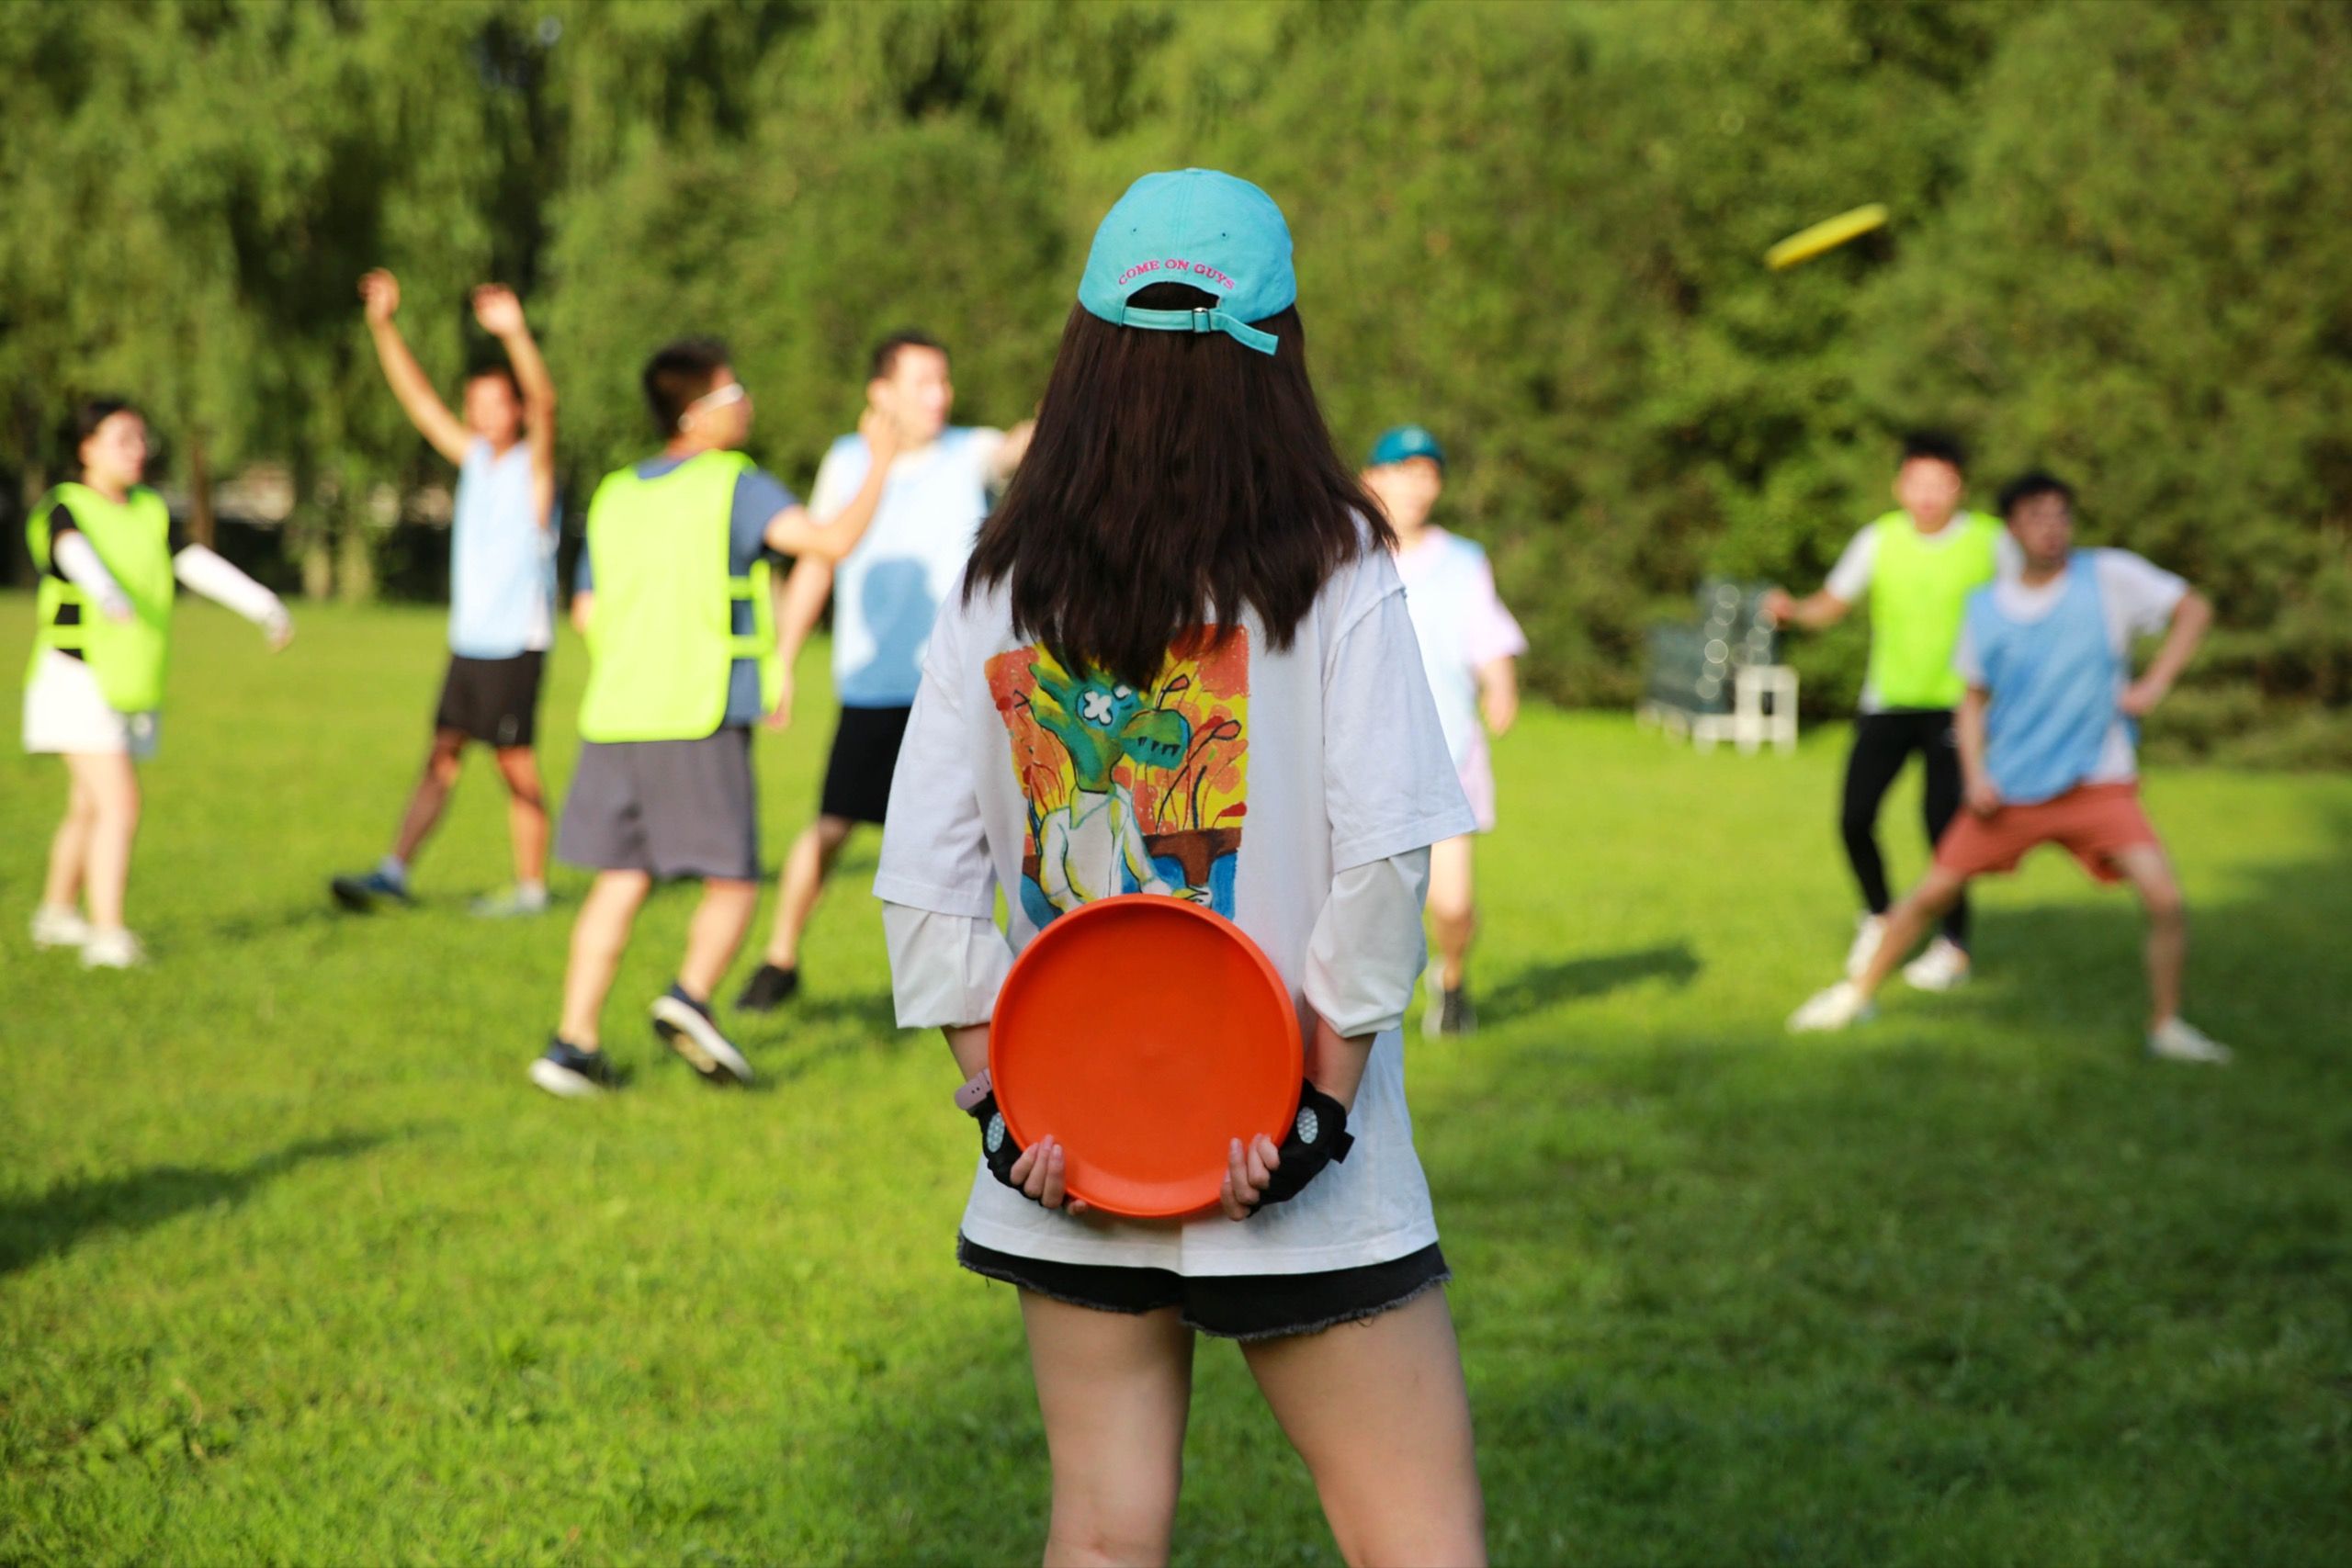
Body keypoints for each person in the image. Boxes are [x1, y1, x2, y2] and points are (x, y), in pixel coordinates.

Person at [876, 170, 1487, 1565]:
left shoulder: (996, 578)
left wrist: (998, 1097)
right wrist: (1317, 1115)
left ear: (1087, 351)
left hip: (1069, 1145)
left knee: (1101, 1535)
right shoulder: (1335, 565)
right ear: (1278, 350)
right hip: (1295, 1157)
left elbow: (922, 881)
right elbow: (1388, 853)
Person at [529, 339, 899, 1099]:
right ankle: (691, 995)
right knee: (733, 881)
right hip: (696, 713)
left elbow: (586, 609)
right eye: (737, 391)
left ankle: (573, 1042)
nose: (748, 403)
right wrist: (882, 459)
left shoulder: (614, 493)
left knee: (620, 879)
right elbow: (828, 543)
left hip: (615, 715)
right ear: (697, 414)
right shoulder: (735, 485)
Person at [1788, 471, 2232, 1064]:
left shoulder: (2109, 577)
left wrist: (2153, 684)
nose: (2051, 529)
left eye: (2060, 516)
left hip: (2098, 784)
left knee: (2165, 899)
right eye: (2035, 517)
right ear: (2012, 528)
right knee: (1929, 895)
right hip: (2012, 789)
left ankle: (2166, 1025)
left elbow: (2193, 610)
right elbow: (1971, 701)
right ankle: (1856, 994)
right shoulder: (1988, 607)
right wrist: (1976, 776)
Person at [732, 331, 1031, 1012]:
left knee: (996, 831)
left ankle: (1004, 980)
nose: (939, 395)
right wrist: (782, 660)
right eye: (923, 381)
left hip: (961, 688)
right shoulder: (847, 461)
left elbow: (1016, 446)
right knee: (834, 825)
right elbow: (818, 559)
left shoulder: (969, 452)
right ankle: (779, 957)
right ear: (881, 393)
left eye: (944, 381)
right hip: (874, 687)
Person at [24, 399, 294, 968]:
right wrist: (104, 591)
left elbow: (192, 562)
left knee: (88, 807)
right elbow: (68, 550)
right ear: (87, 447)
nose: (137, 450)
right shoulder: (64, 506)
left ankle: (55, 912)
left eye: (141, 438)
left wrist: (263, 605)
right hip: (77, 680)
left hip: (133, 680)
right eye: (122, 439)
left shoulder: (149, 510)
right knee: (120, 803)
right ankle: (107, 935)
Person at [331, 271, 560, 917]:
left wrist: (515, 334)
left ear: (514, 410)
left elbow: (547, 405)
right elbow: (419, 402)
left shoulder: (533, 469)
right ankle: (393, 871)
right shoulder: (476, 462)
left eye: (496, 403)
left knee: (515, 765)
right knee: (443, 756)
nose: (482, 414)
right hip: (470, 643)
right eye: (475, 403)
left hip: (517, 641)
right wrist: (382, 326)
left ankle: (532, 888)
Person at [1763, 434, 2019, 992]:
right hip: (1888, 701)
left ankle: (1953, 946)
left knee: (1944, 830)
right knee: (1854, 817)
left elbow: (2028, 607)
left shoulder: (1990, 542)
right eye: (1917, 483)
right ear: (1900, 486)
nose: (1928, 495)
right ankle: (1880, 916)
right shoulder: (1880, 539)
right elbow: (1833, 602)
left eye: (1940, 484)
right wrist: (1794, 611)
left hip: (1959, 708)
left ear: (1958, 488)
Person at [1362, 423, 1524, 1037]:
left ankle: (1451, 977)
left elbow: (1489, 637)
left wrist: (1500, 684)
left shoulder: (1464, 561)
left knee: (1452, 903)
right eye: (1404, 470)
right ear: (1371, 479)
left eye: (1428, 472)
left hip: (1449, 753)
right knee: (1370, 903)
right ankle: (1363, 1011)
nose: (1417, 484)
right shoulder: (1346, 553)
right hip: (1366, 759)